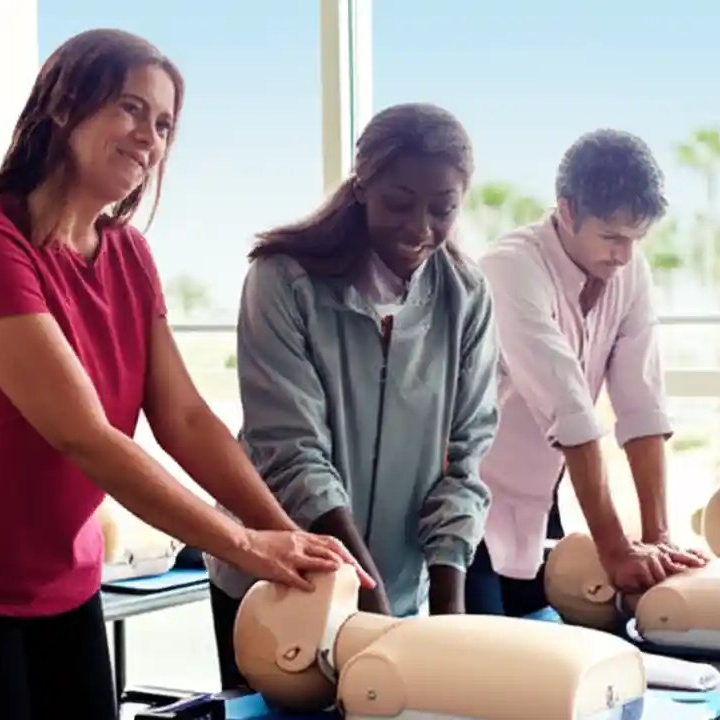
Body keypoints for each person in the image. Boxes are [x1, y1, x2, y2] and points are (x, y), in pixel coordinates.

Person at [0, 28, 368, 720]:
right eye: (129, 107)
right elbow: (84, 435)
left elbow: (183, 417)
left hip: (58, 577)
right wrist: (245, 544)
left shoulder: (128, 257)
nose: (148, 137)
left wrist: (284, 533)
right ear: (63, 106)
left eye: (163, 124)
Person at [205, 102, 501, 689]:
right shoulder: (282, 280)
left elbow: (464, 462)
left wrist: (448, 624)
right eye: (399, 201)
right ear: (362, 185)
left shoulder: (464, 297)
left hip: (393, 585)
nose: (420, 227)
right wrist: (370, 604)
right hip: (279, 583)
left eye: (443, 208)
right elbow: (291, 451)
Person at [464, 129, 707, 619]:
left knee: (547, 637)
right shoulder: (509, 268)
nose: (623, 255)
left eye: (636, 239)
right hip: (469, 493)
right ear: (567, 210)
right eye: (612, 237)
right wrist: (616, 550)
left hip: (539, 488)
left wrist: (656, 537)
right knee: (489, 656)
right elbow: (571, 409)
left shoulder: (629, 270)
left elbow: (642, 405)